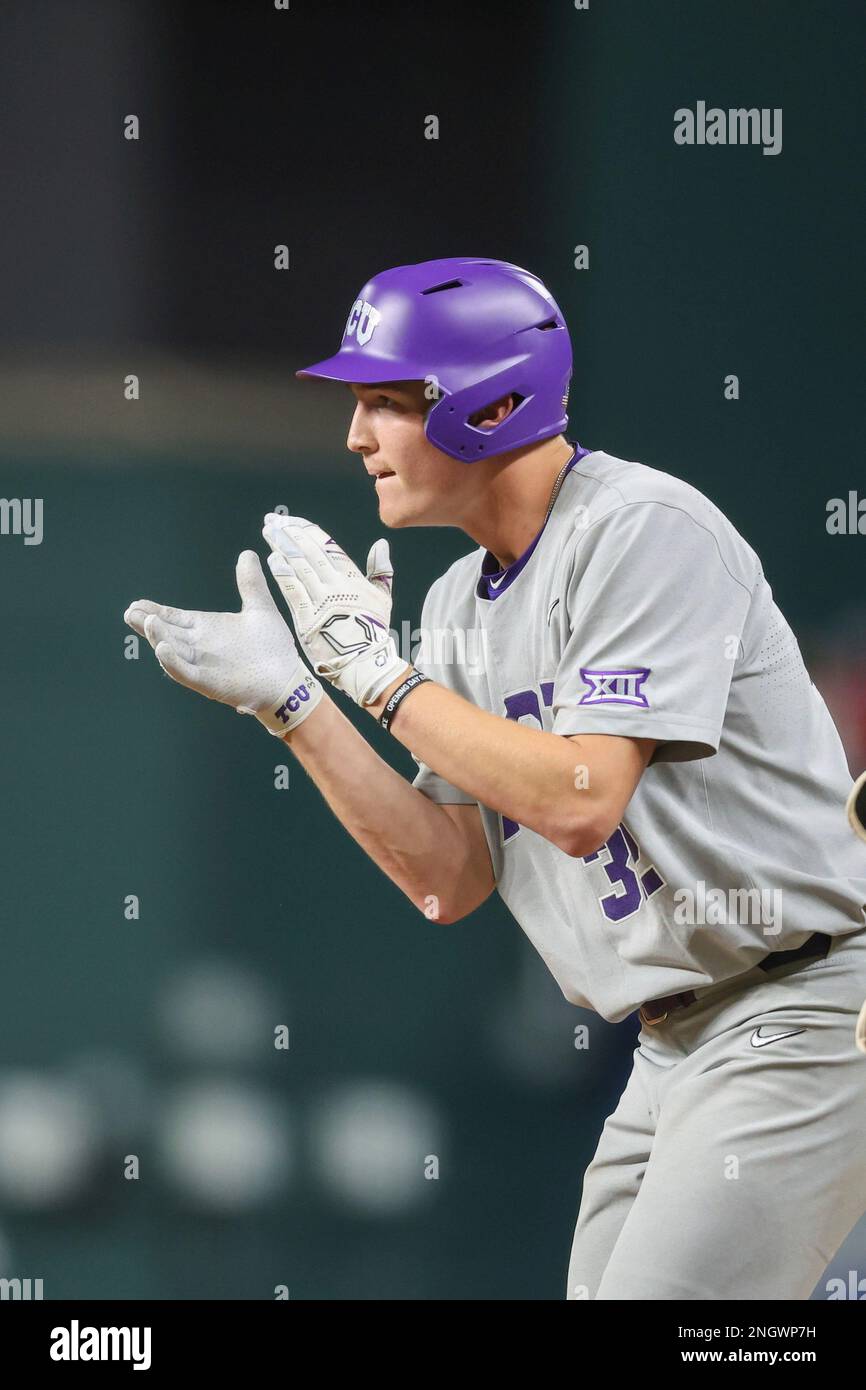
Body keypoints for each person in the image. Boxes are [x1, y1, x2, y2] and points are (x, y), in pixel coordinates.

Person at [124, 257, 866, 1300]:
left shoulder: (639, 530)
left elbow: (577, 800)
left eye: (385, 401)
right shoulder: (464, 605)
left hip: (794, 1007)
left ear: (497, 401)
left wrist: (379, 677)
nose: (356, 436)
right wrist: (296, 705)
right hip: (668, 1047)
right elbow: (448, 877)